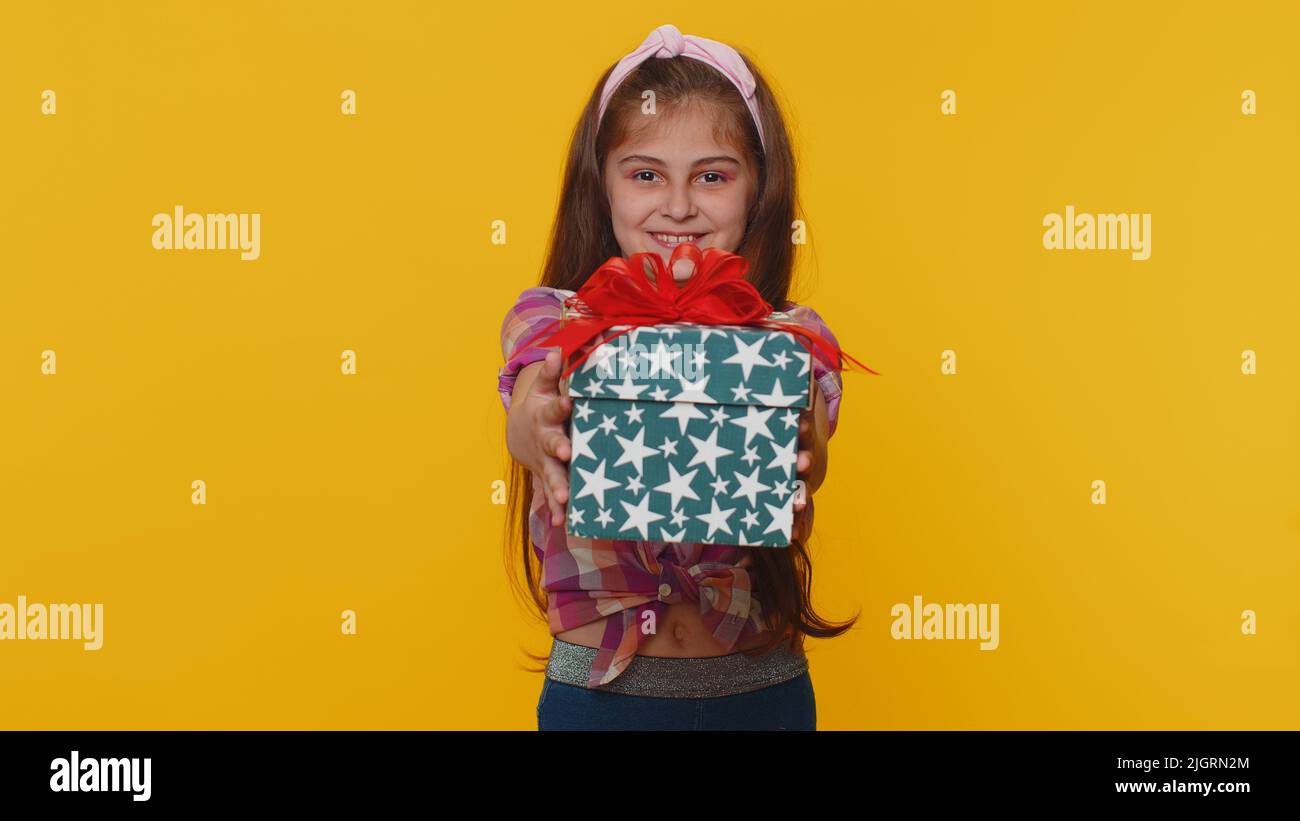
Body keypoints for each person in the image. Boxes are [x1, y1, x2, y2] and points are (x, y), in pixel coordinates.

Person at [498, 23, 859, 730]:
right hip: (599, 700)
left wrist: (799, 443)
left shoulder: (789, 334)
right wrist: (535, 428)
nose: (679, 207)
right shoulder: (554, 318)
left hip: (762, 692)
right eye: (645, 174)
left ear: (759, 189)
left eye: (713, 176)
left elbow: (811, 444)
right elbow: (530, 399)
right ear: (600, 187)